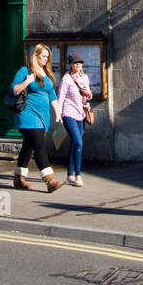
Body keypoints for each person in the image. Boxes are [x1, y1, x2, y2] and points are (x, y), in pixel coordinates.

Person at [11, 44, 64, 192]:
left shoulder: (46, 73)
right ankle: (49, 180)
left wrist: (58, 113)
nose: (46, 59)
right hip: (27, 115)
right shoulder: (25, 70)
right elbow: (14, 90)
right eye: (44, 56)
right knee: (39, 145)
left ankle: (18, 178)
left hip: (42, 117)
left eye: (48, 57)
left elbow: (51, 94)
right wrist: (26, 82)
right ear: (35, 56)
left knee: (28, 146)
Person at [58, 52, 93, 186]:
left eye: (80, 63)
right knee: (78, 143)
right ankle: (78, 175)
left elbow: (88, 95)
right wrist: (59, 114)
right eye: (75, 63)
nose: (78, 65)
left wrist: (89, 94)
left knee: (75, 143)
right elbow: (60, 96)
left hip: (81, 113)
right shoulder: (66, 79)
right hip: (68, 112)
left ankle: (69, 174)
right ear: (70, 65)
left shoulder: (85, 77)